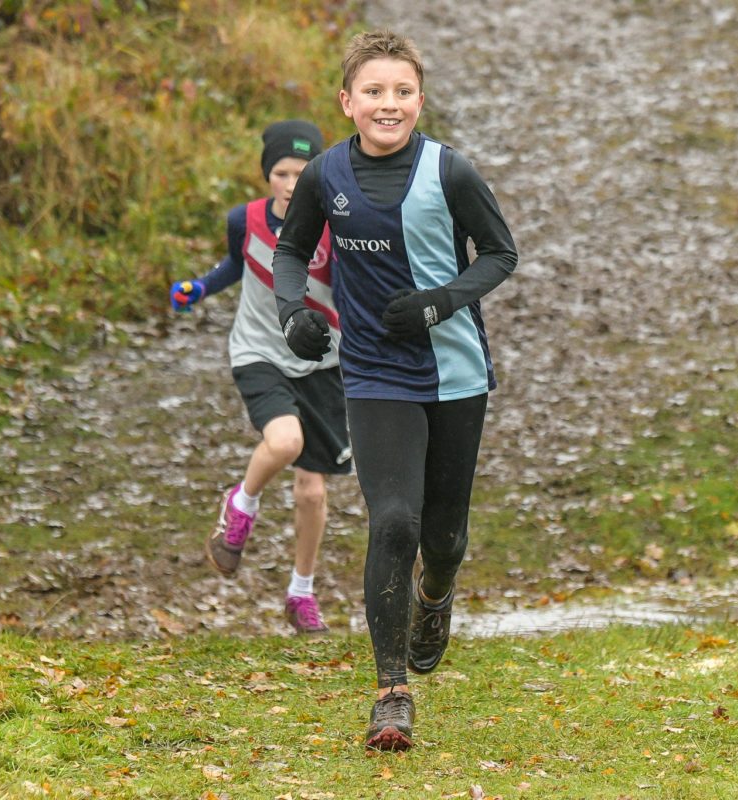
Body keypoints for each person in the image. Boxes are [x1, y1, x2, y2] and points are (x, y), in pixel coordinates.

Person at [271, 30, 518, 751]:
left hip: (455, 372)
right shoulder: (324, 175)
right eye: (374, 92)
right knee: (395, 522)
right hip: (375, 372)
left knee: (442, 540)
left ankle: (434, 596)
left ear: (419, 98)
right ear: (347, 101)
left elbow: (501, 253)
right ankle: (390, 695)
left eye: (402, 92)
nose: (389, 104)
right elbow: (291, 249)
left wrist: (442, 302)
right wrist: (295, 313)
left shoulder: (452, 172)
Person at [169, 120, 351, 635]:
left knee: (313, 493)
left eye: (303, 172)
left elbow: (354, 291)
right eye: (281, 173)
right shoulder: (243, 219)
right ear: (266, 175)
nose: (292, 184)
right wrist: (200, 288)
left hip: (322, 359)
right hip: (259, 351)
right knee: (285, 440)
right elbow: (236, 263)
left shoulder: (337, 227)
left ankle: (301, 593)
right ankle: (240, 504)